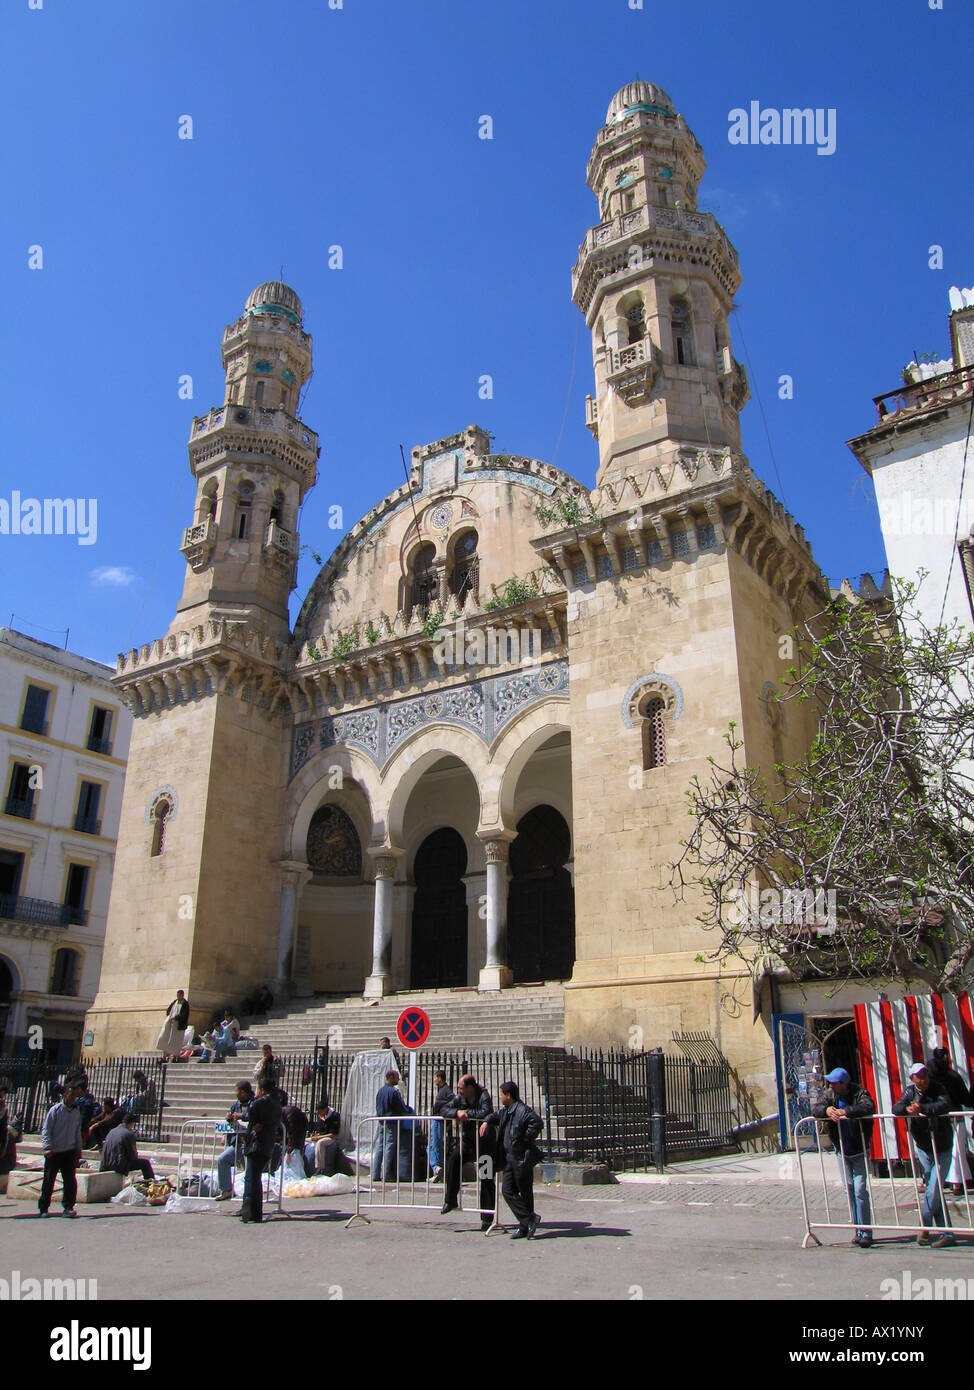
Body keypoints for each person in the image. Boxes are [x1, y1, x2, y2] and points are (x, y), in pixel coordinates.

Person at [892, 1060, 956, 1247]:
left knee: (935, 1186)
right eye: (919, 1077)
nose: (923, 1079)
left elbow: (944, 1105)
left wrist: (923, 1109)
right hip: (923, 1145)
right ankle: (947, 1233)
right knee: (933, 1190)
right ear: (913, 1079)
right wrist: (907, 1109)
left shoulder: (938, 1087)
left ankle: (925, 1224)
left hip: (942, 1144)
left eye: (925, 1075)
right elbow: (896, 1109)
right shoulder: (910, 1092)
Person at [811, 1067, 876, 1248]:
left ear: (843, 1083)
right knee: (849, 1189)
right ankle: (857, 1228)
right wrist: (827, 1110)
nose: (830, 1084)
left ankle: (866, 1230)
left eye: (834, 1082)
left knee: (860, 1189)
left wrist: (847, 1111)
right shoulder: (830, 1095)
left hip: (859, 1147)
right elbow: (817, 1108)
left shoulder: (859, 1092)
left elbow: (868, 1106)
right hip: (841, 1148)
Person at [481, 1081, 544, 1239]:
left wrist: (524, 1139)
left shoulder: (522, 1110)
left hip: (521, 1157)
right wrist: (486, 1121)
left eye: (501, 1094)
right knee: (508, 1190)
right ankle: (528, 1221)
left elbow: (537, 1122)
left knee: (524, 1192)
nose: (500, 1097)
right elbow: (493, 1115)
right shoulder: (506, 1111)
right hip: (510, 1158)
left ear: (508, 1096)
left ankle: (526, 1224)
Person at [440, 1074, 495, 1230]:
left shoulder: (483, 1095)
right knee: (454, 1160)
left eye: (461, 1088)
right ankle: (450, 1200)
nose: (459, 1091)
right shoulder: (460, 1098)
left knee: (486, 1178)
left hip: (485, 1143)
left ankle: (487, 1217)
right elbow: (443, 1108)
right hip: (469, 1141)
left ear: (471, 1088)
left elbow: (486, 1112)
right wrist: (456, 1113)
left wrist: (467, 1113)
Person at [927, 1048, 973, 1195]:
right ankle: (956, 1182)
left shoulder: (930, 1077)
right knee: (956, 1150)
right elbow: (965, 1098)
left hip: (937, 1117)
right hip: (954, 1116)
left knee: (942, 1150)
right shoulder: (953, 1077)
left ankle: (947, 1180)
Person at [38, 1079, 83, 1218]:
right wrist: (47, 1147)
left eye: (74, 1097)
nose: (72, 1099)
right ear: (64, 1095)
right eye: (70, 1096)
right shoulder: (55, 1111)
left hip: (69, 1151)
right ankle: (44, 1207)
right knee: (49, 1180)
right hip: (54, 1151)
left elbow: (77, 1131)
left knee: (70, 1180)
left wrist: (78, 1148)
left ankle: (68, 1206)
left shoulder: (76, 1112)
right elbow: (46, 1130)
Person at [241, 1078, 282, 1224]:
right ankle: (255, 1212)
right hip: (268, 1142)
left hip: (256, 1143)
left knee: (252, 1178)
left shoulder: (258, 1103)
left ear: (262, 1089)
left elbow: (250, 1120)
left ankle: (251, 1211)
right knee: (255, 1177)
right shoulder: (277, 1104)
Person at [216, 1082, 254, 1201]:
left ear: (243, 1092)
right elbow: (229, 1121)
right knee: (222, 1159)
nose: (235, 1093)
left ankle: (250, 1195)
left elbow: (253, 1117)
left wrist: (241, 1116)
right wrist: (225, 1132)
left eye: (237, 1091)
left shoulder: (254, 1104)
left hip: (250, 1142)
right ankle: (226, 1190)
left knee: (250, 1169)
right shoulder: (235, 1105)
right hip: (237, 1142)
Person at [372, 1070, 409, 1182]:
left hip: (382, 1121)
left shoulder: (380, 1091)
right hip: (391, 1122)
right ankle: (387, 1174)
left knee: (380, 1147)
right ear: (391, 1078)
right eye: (396, 1077)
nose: (398, 1080)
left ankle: (375, 1174)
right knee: (389, 1146)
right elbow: (400, 1108)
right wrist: (407, 1111)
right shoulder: (393, 1092)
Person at [99, 1115, 155, 1182]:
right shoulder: (128, 1134)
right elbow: (132, 1156)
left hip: (106, 1164)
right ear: (131, 1123)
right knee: (145, 1163)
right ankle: (151, 1184)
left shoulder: (112, 1131)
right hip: (117, 1165)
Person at [305, 1100, 353, 1177]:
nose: (320, 1114)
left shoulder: (334, 1116)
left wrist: (319, 1137)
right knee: (306, 1141)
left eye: (320, 1111)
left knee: (320, 1143)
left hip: (330, 1138)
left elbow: (333, 1134)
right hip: (321, 1136)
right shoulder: (321, 1117)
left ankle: (319, 1168)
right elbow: (320, 1130)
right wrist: (315, 1135)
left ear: (325, 1109)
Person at [429, 1071, 452, 1181]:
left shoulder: (446, 1090)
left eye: (435, 1077)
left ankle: (437, 1168)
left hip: (439, 1120)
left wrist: (441, 1110)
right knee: (432, 1145)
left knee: (435, 1144)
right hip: (437, 1119)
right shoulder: (443, 1090)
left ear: (439, 1078)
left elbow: (451, 1101)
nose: (434, 1080)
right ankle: (437, 1169)